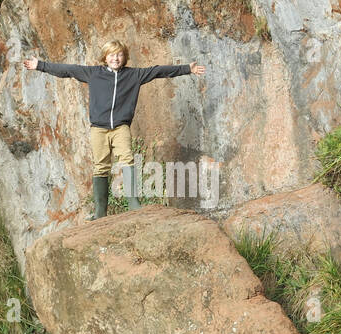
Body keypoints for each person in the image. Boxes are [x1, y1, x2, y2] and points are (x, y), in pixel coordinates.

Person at [22, 40, 205, 220]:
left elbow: (158, 71)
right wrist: (40, 65)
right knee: (100, 166)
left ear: (124, 57)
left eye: (119, 55)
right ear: (105, 57)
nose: (115, 58)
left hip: (120, 127)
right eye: (111, 55)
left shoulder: (134, 75)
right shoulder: (93, 73)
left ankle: (133, 202)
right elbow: (67, 70)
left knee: (127, 158)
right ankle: (101, 211)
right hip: (98, 129)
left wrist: (188, 68)